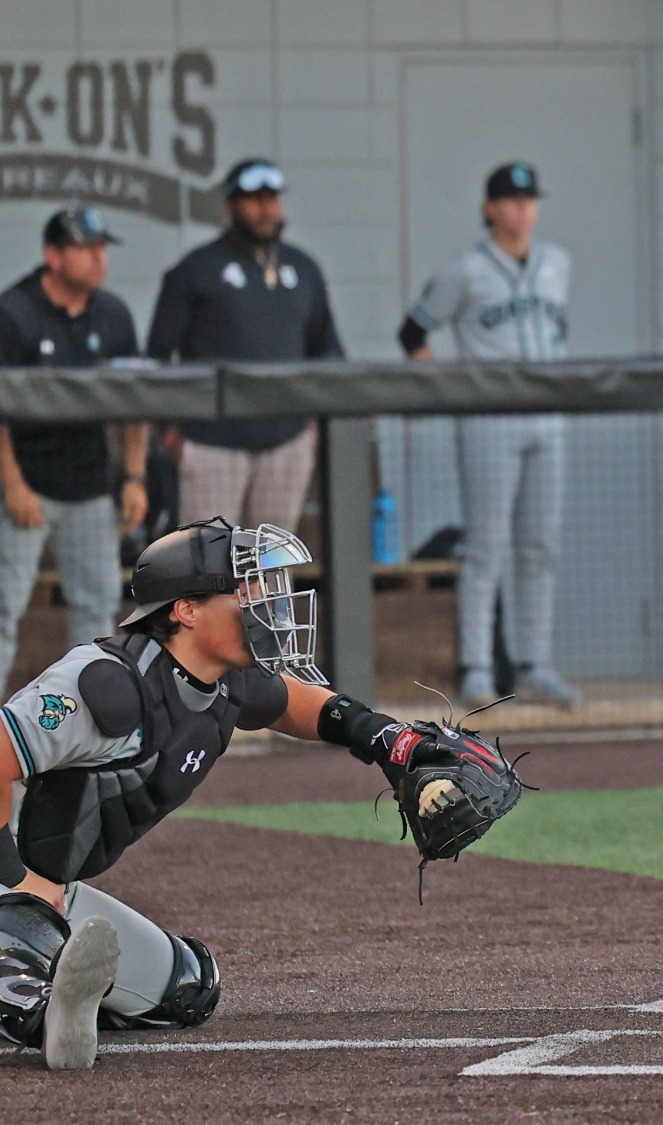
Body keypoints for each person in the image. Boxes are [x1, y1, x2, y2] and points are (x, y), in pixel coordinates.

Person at [0, 518, 507, 1069]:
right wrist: (16, 882)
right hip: (12, 883)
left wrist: (390, 741)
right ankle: (40, 1008)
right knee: (22, 960)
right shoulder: (107, 684)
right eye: (244, 589)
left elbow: (295, 702)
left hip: (43, 892)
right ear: (185, 610)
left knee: (188, 986)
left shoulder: (223, 682)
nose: (265, 600)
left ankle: (57, 991)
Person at [398, 163, 578, 709]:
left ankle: (535, 665)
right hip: (489, 420)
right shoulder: (467, 271)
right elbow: (412, 333)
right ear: (491, 207)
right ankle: (476, 668)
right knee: (486, 547)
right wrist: (449, 390)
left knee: (541, 546)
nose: (523, 211)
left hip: (548, 418)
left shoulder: (558, 264)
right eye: (512, 200)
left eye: (530, 200)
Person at [146, 158, 341, 531]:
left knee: (270, 566)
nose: (265, 208)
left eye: (272, 198)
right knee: (206, 568)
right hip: (212, 442)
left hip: (286, 439)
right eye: (254, 198)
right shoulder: (197, 268)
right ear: (231, 204)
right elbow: (158, 355)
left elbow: (327, 350)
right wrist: (170, 429)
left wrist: (312, 426)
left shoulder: (304, 269)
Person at [0, 207, 148, 684]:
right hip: (24, 487)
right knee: (3, 606)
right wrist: (14, 485)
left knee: (97, 610)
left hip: (87, 488)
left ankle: (86, 727)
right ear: (53, 255)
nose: (98, 259)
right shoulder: (13, 313)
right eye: (86, 248)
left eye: (102, 248)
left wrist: (134, 476)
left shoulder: (113, 314)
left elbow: (136, 403)